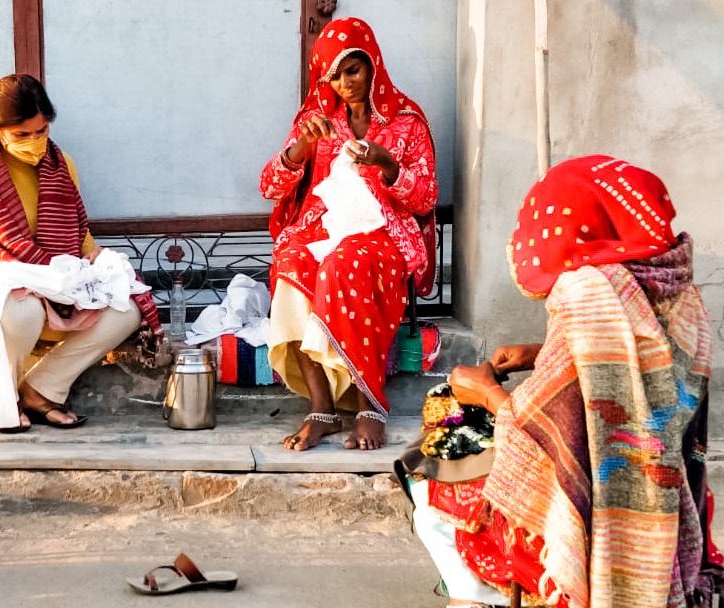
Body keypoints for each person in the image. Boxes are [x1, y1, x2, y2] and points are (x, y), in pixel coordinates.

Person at [406, 156, 720, 607]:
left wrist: (485, 390)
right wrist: (541, 353)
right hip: (670, 490)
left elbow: (537, 429)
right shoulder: (669, 280)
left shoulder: (589, 293)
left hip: (600, 506)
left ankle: (474, 597)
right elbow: (639, 364)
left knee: (433, 482)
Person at [0, 73, 162, 433]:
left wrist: (100, 262)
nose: (35, 142)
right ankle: (4, 400)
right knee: (21, 308)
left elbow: (77, 234)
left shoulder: (60, 164)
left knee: (126, 306)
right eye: (22, 134)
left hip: (54, 289)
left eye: (41, 131)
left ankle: (40, 390)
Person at [260, 18, 438, 451]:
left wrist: (389, 166)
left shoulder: (406, 122)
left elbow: (426, 198)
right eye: (334, 76)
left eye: (353, 70)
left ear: (372, 64)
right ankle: (321, 409)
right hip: (322, 227)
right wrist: (300, 148)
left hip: (385, 230)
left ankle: (368, 406)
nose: (345, 83)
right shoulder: (317, 121)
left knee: (346, 261)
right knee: (290, 259)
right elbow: (269, 186)